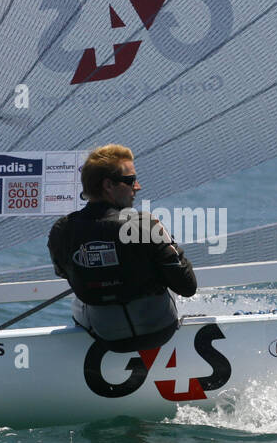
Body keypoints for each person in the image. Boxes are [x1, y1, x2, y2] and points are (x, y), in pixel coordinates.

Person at [48, 144, 196, 352]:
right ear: (108, 185)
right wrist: (165, 244)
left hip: (107, 338)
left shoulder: (61, 230)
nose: (138, 187)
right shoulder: (144, 225)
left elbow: (64, 273)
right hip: (160, 332)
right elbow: (188, 287)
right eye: (131, 181)